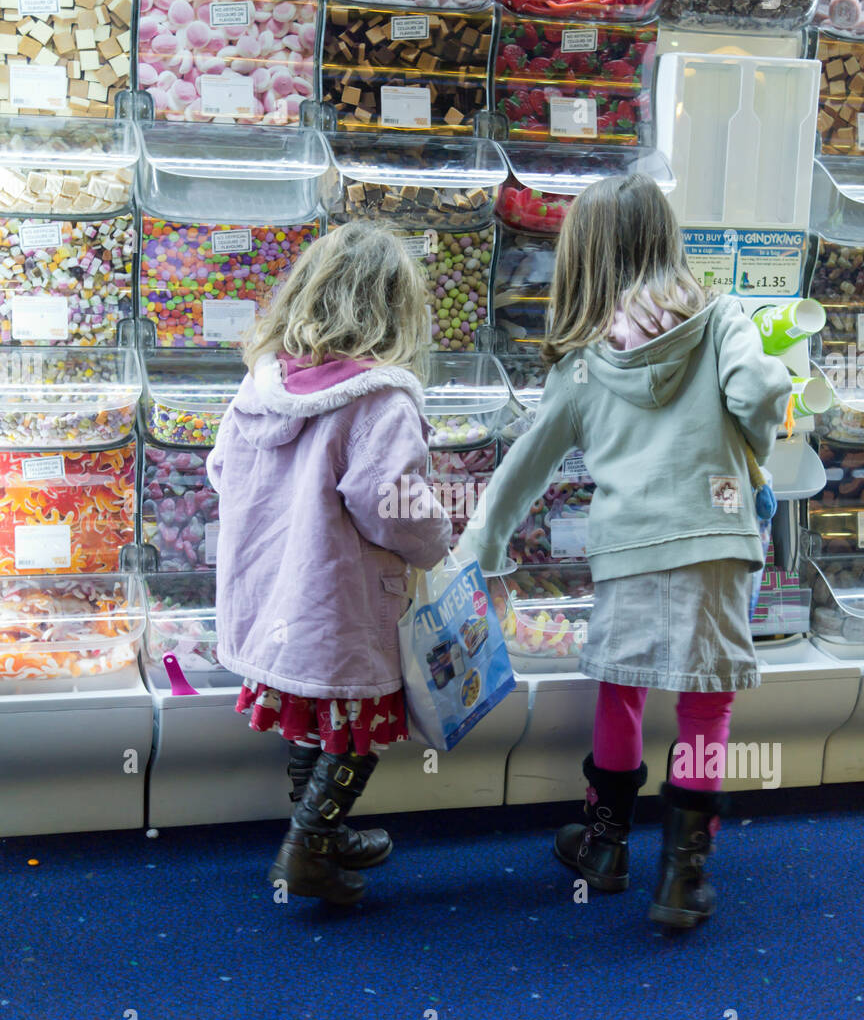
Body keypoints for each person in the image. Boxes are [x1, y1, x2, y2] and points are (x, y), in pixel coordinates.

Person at [457, 176, 791, 929]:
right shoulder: (721, 318)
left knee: (623, 688)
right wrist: (751, 447)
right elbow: (762, 390)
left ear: (584, 260)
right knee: (708, 704)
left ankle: (604, 848)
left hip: (629, 551)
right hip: (717, 540)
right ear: (665, 242)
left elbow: (526, 465)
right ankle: (683, 875)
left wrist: (483, 547)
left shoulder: (580, 363)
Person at [207, 223, 452, 906]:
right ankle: (308, 848)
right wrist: (439, 543)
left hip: (278, 597)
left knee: (312, 715)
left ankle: (320, 828)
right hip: (342, 601)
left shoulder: (258, 386)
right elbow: (395, 506)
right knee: (355, 730)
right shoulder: (380, 400)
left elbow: (222, 471)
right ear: (394, 307)